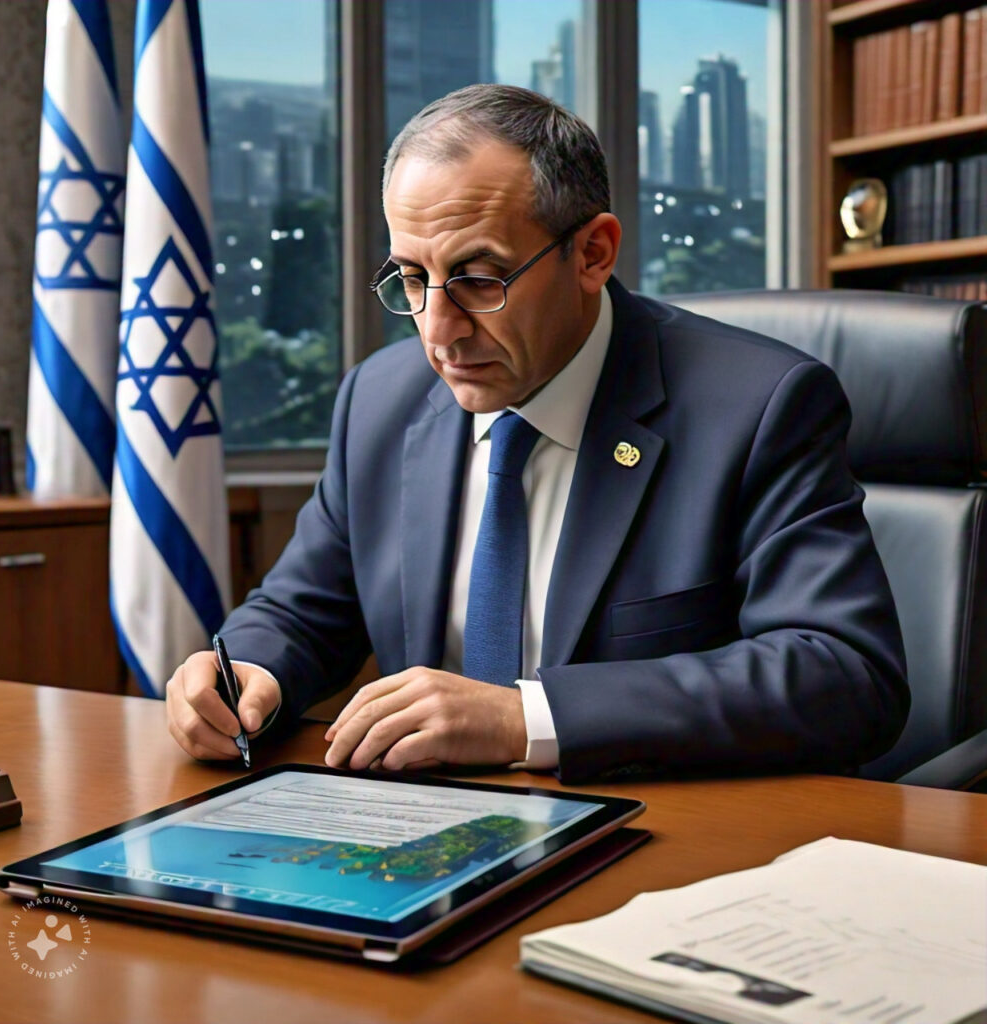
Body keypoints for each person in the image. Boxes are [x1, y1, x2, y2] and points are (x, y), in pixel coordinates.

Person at [166, 84, 908, 783]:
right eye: (412, 279)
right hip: (427, 846)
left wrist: (526, 719)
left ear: (593, 254)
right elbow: (303, 609)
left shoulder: (760, 407)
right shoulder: (379, 401)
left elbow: (843, 672)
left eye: (479, 278)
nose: (438, 330)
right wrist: (247, 673)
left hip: (654, 841)